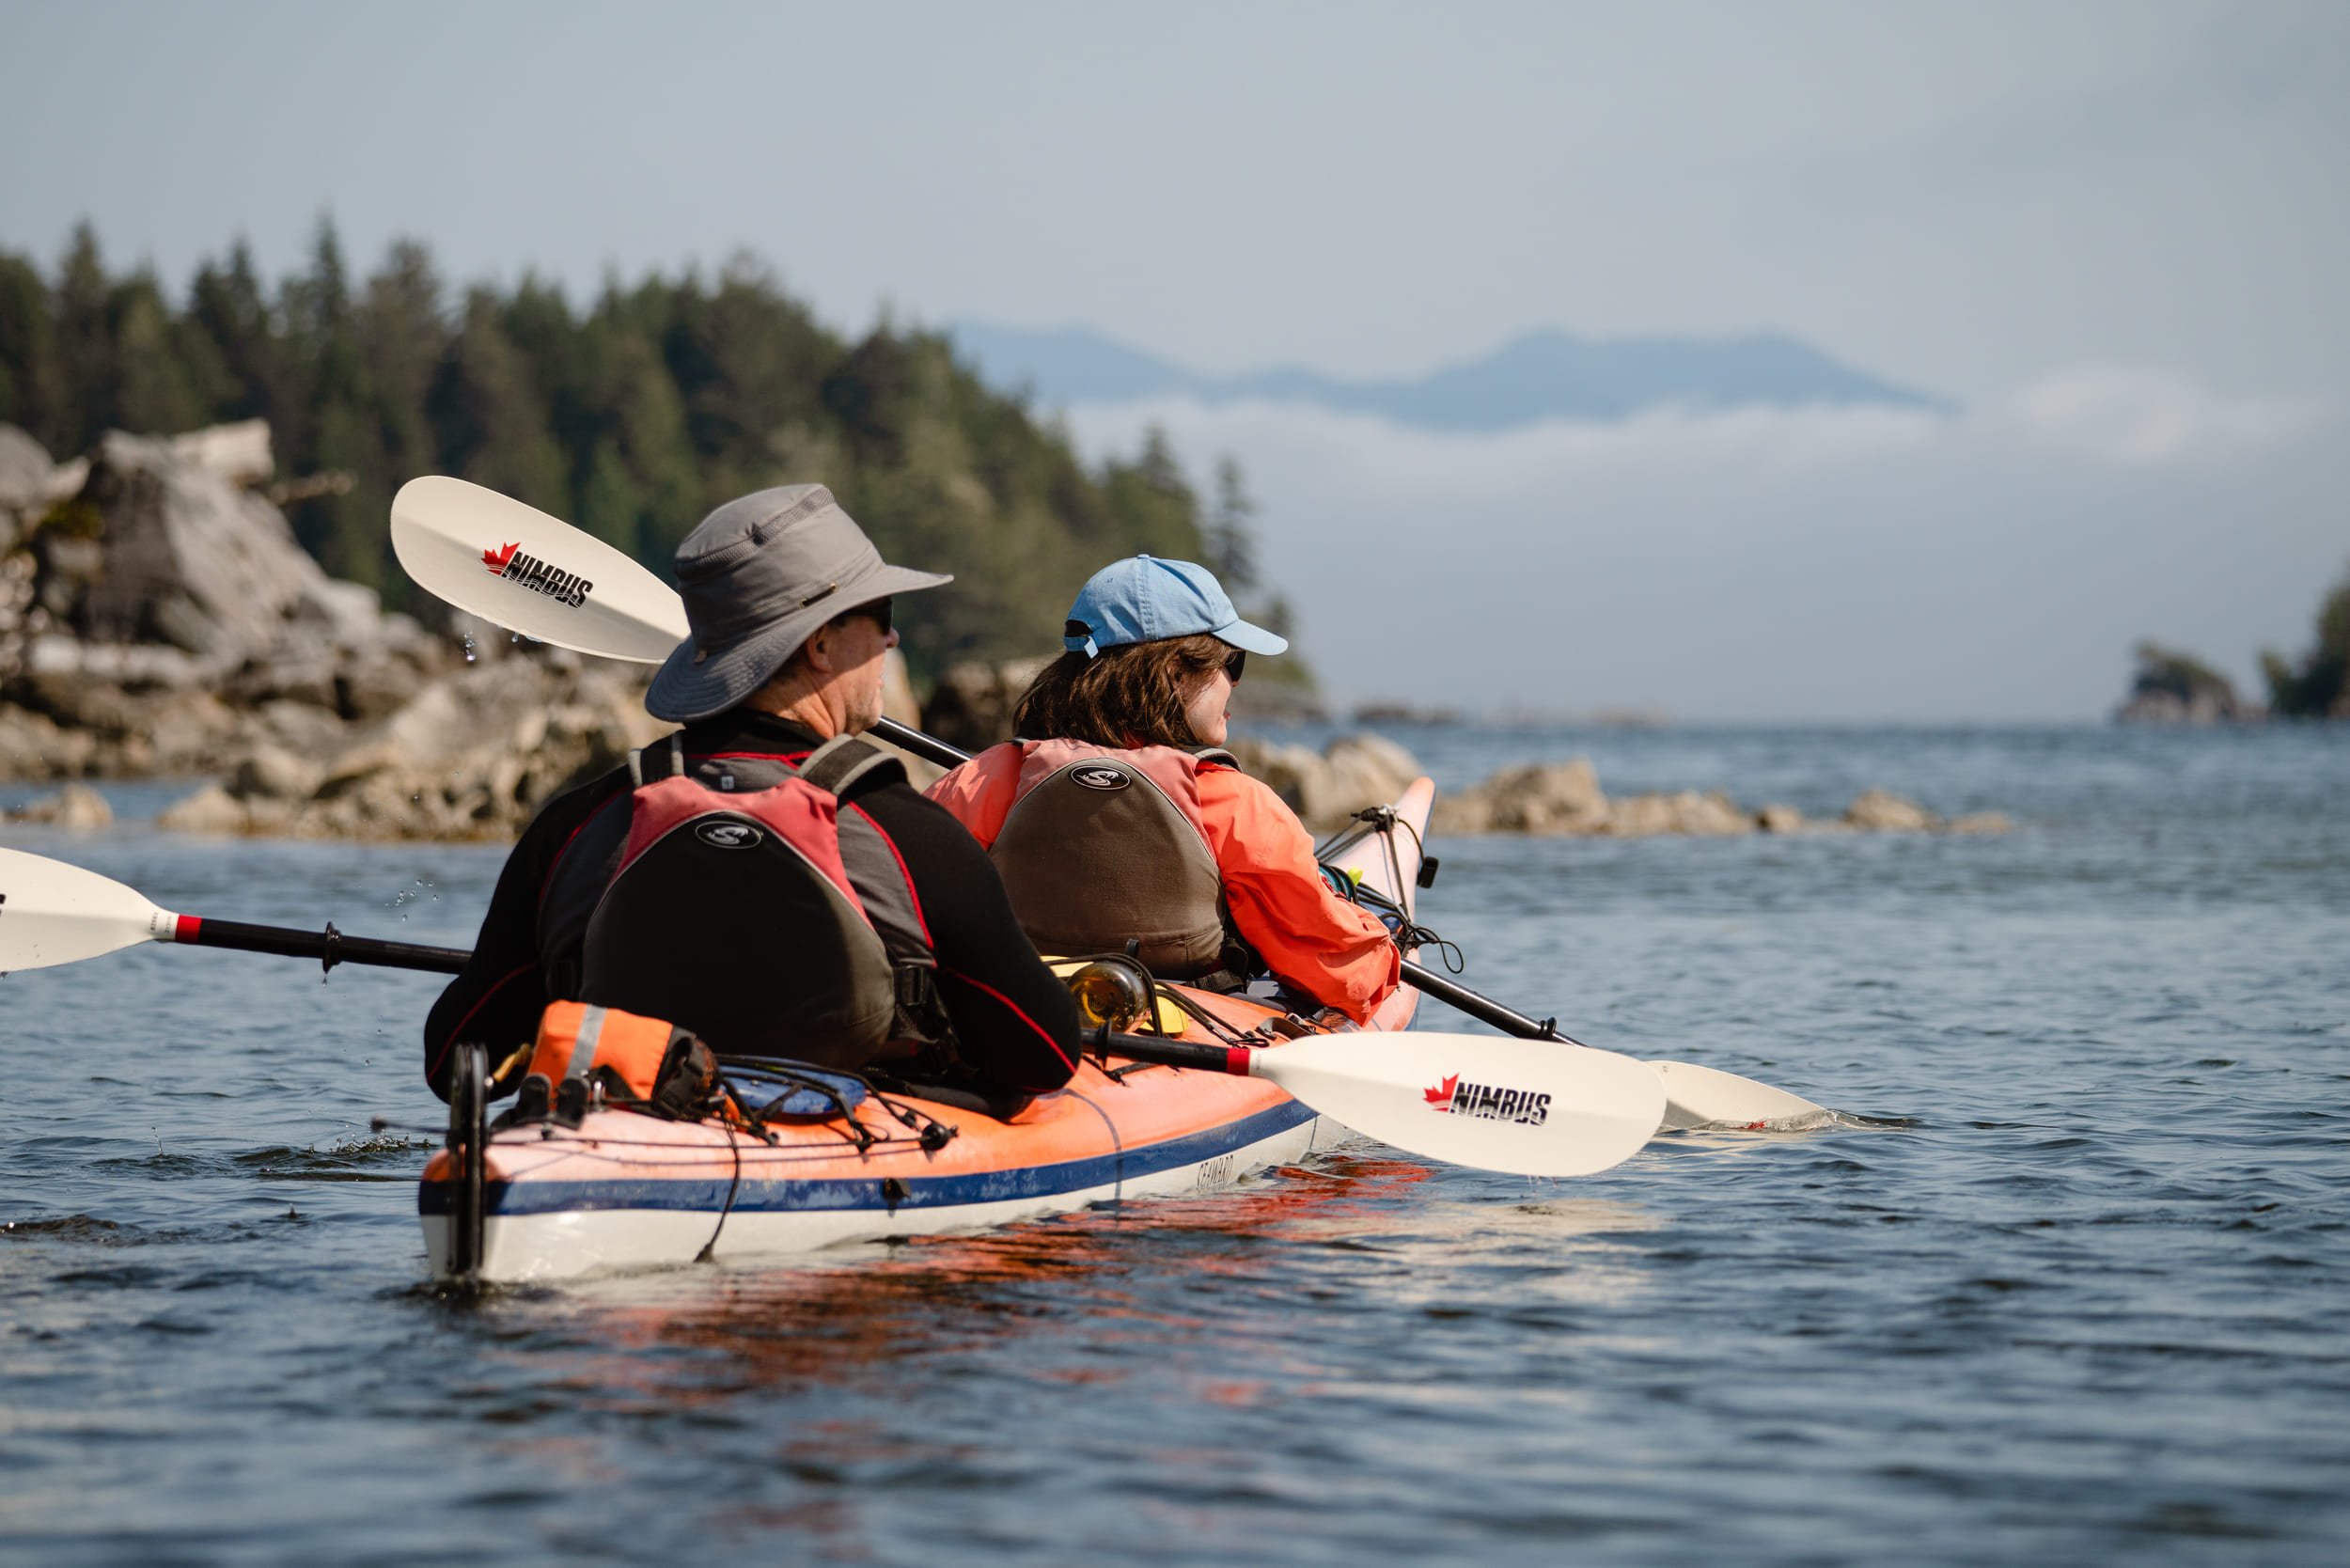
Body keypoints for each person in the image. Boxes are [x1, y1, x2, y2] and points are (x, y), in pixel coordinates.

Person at [423, 484, 1083, 1105]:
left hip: (612, 1135)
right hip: (853, 1143)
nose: (893, 638)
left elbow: (455, 1063)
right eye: (881, 616)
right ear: (820, 645)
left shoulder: (574, 827)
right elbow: (1046, 1054)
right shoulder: (909, 833)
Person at [925, 555, 1401, 1025]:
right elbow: (1344, 975)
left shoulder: (980, 781)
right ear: (1175, 671)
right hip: (1190, 1030)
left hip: (1017, 1022)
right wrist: (1383, 940)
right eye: (1232, 663)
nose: (1235, 683)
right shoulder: (1234, 806)